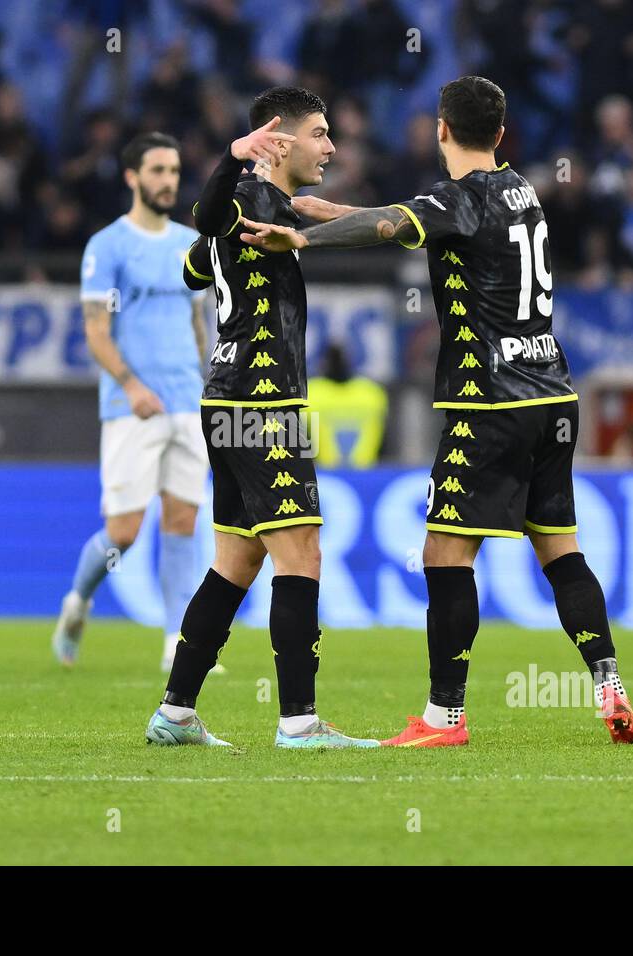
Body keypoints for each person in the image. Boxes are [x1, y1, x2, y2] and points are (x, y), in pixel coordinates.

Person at [241, 76, 633, 746]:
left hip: (490, 400)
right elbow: (411, 214)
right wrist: (320, 211)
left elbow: (398, 221)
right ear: (501, 134)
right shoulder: (520, 191)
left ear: (439, 130)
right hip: (552, 394)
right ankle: (609, 685)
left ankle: (444, 718)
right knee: (561, 552)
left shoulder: (457, 198)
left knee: (444, 553)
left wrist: (304, 241)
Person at [148, 87, 376, 749]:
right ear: (279, 140)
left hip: (228, 394)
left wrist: (305, 215)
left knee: (236, 562)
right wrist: (231, 162)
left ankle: (177, 714)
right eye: (320, 133)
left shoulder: (269, 206)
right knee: (300, 554)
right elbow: (211, 213)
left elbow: (197, 265)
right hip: (263, 398)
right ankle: (299, 724)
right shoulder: (248, 197)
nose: (331, 147)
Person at [52, 132, 214, 673]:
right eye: (157, 171)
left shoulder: (190, 242)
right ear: (132, 177)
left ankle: (177, 641)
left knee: (182, 522)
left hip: (187, 403)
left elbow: (198, 324)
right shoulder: (107, 245)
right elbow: (95, 331)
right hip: (132, 406)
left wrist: (209, 383)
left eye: (173, 170)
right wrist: (131, 385)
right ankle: (78, 600)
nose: (168, 180)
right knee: (124, 532)